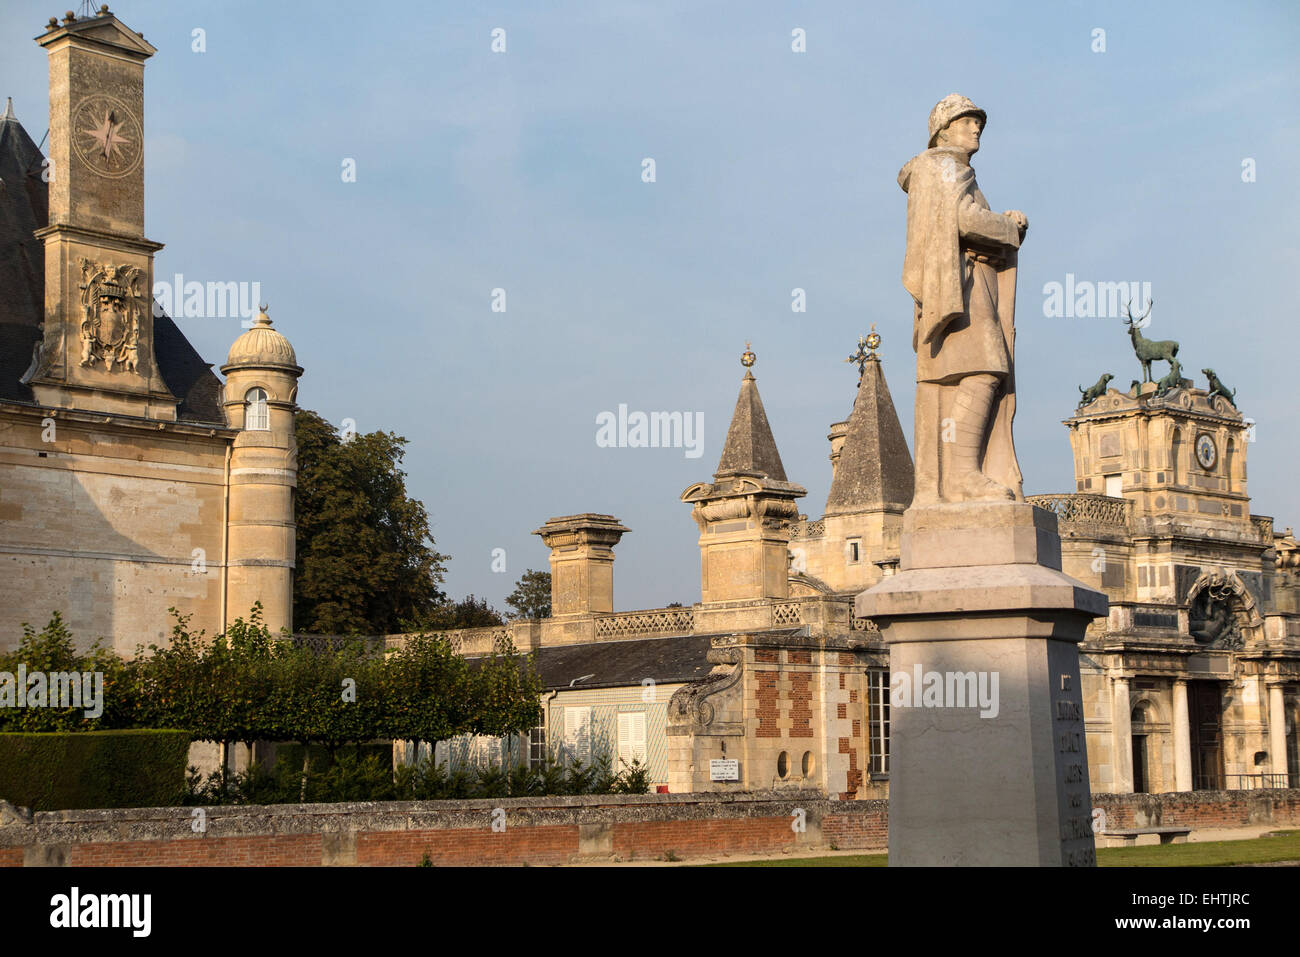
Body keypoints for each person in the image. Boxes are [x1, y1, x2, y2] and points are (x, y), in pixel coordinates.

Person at [899, 94, 1028, 504]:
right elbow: (964, 219)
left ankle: (962, 475)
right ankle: (962, 476)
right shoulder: (941, 167)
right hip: (959, 291)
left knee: (986, 368)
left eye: (979, 124)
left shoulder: (949, 171)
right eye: (967, 122)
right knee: (987, 366)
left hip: (971, 285)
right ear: (944, 129)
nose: (976, 129)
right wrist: (1008, 227)